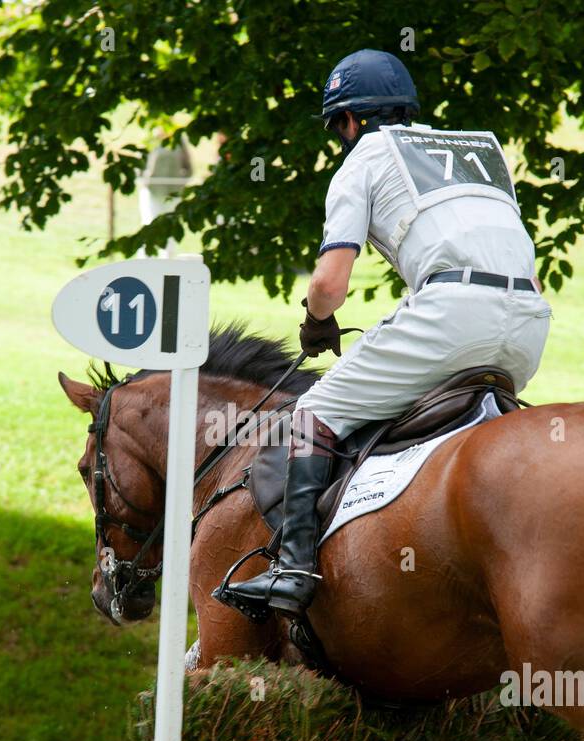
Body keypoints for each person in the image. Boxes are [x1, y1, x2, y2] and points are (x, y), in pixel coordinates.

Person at [216, 49, 552, 619]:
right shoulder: (482, 150)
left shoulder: (365, 156)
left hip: (451, 311)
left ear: (349, 120)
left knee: (311, 415)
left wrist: (317, 322)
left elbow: (329, 282)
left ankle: (294, 568)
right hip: (528, 322)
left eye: (336, 127)